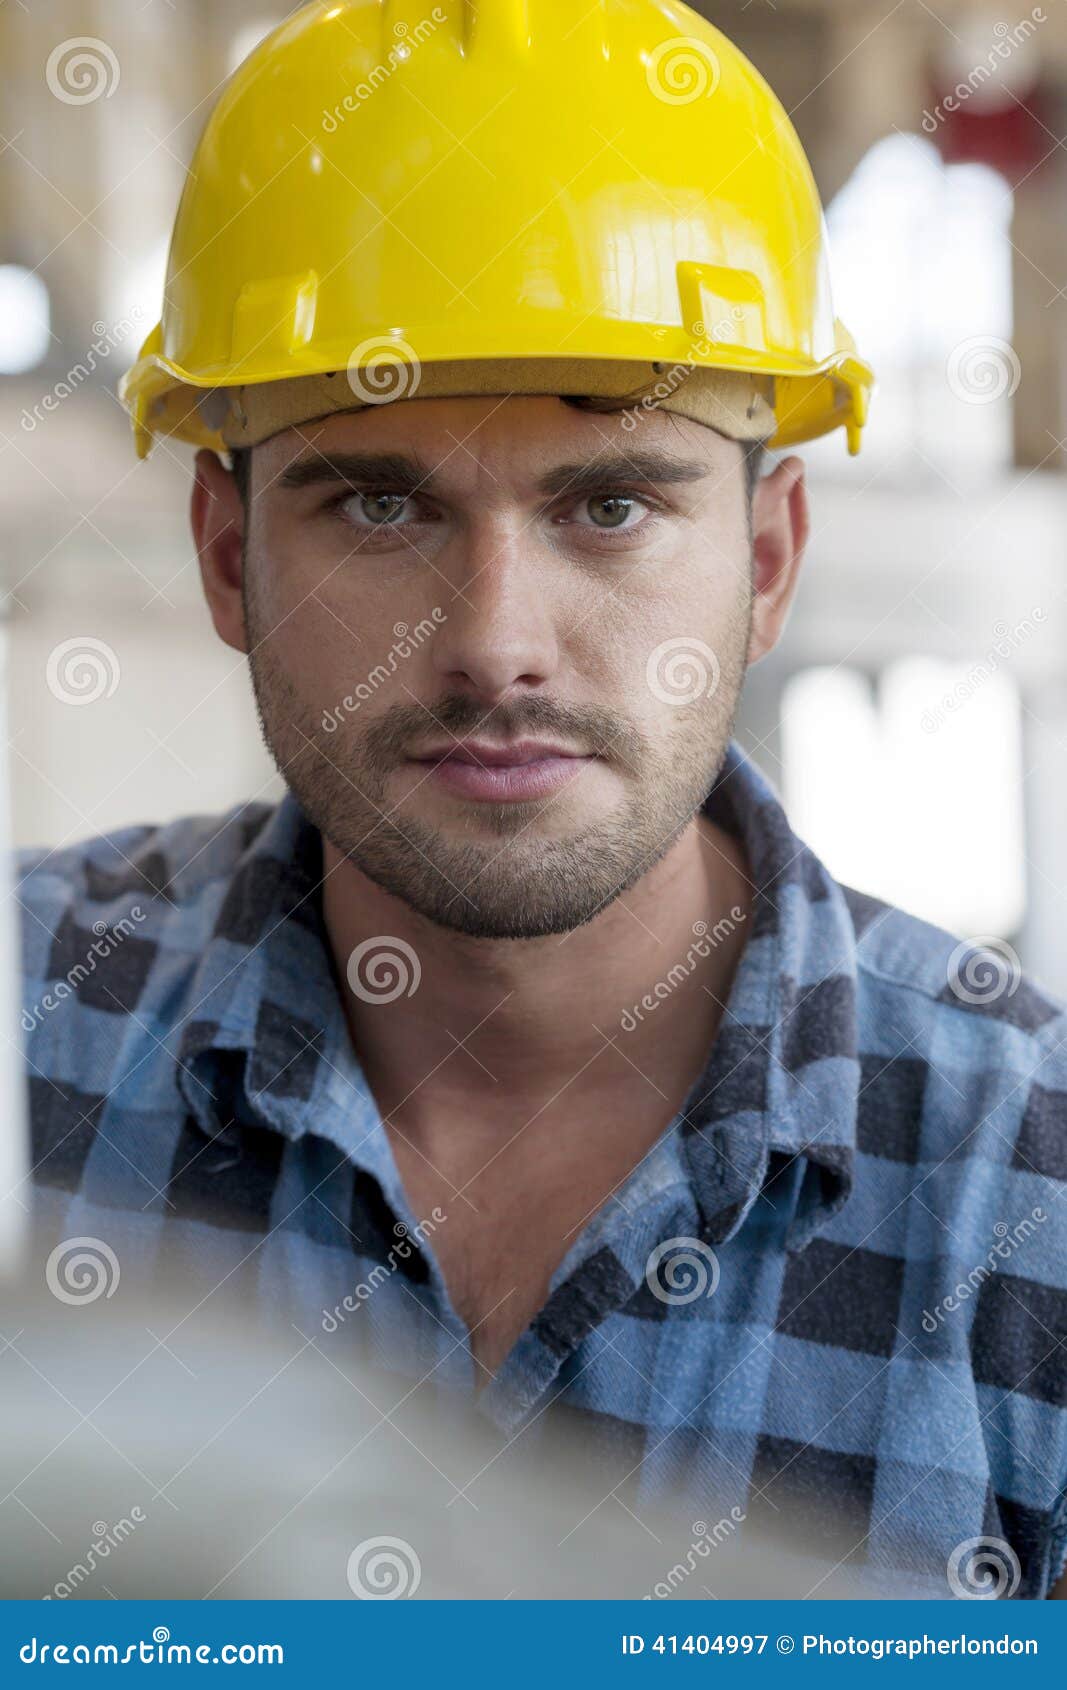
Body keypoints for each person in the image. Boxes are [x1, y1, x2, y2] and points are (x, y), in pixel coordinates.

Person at [18, 0, 1067, 1599]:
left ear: (768, 558)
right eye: (379, 503)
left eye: (611, 503)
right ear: (229, 559)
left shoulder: (1034, 1185)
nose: (495, 643)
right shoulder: (30, 1029)